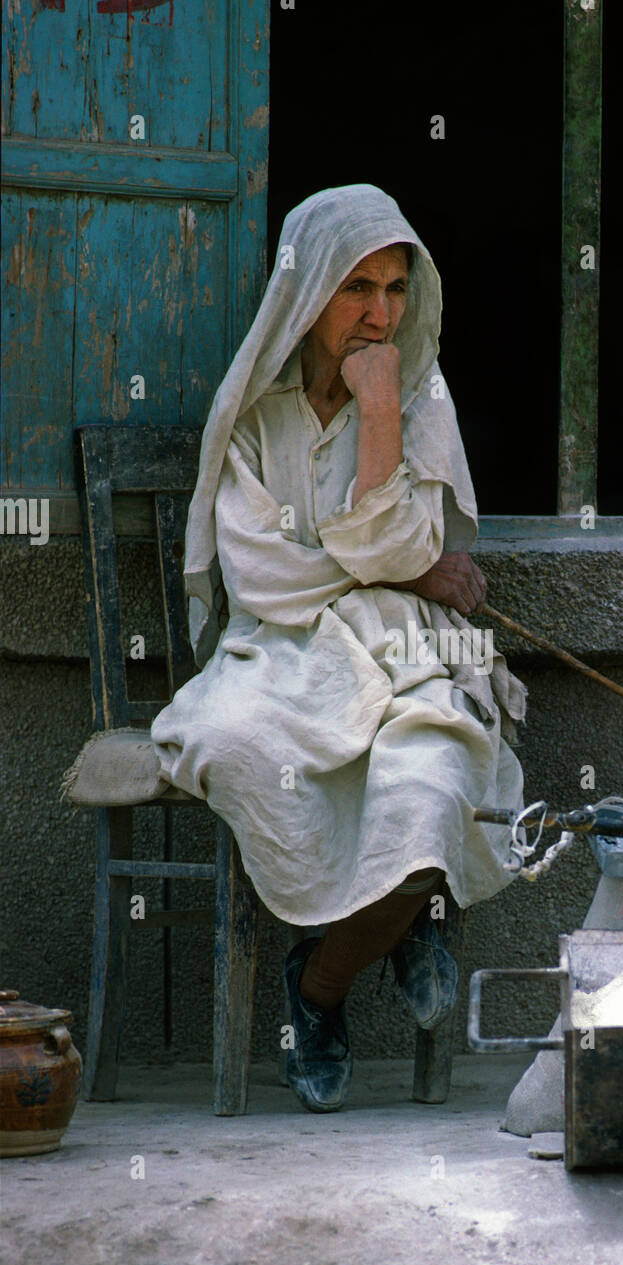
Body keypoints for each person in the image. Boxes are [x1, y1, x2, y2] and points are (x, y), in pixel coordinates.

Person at [151, 184, 526, 1113]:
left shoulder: (410, 394)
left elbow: (400, 547)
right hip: (274, 654)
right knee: (236, 748)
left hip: (401, 650)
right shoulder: (256, 419)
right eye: (357, 287)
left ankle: (315, 992)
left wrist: (382, 414)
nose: (380, 313)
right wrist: (395, 568)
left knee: (434, 783)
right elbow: (267, 583)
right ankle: (401, 932)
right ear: (310, 289)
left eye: (396, 288)